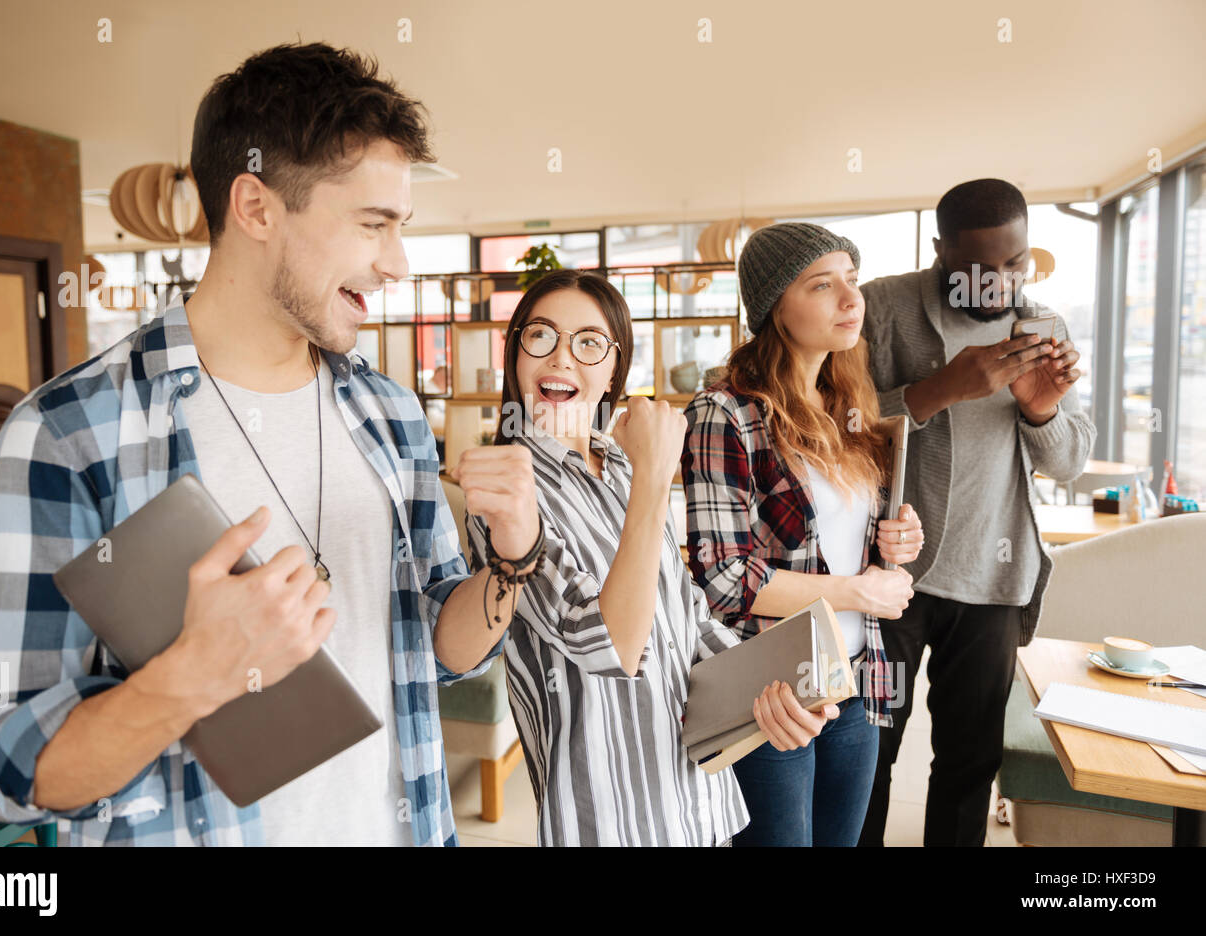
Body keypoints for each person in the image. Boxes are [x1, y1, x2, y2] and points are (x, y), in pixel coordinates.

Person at [0, 42, 543, 846]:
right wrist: (189, 677)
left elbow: (442, 648)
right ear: (257, 208)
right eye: (374, 225)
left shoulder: (391, 414)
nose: (397, 264)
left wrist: (509, 560)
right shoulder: (67, 434)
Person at [458, 269, 832, 846]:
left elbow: (687, 614)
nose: (561, 358)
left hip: (698, 801)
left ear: (614, 368)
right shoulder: (505, 492)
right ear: (515, 354)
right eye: (541, 336)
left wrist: (770, 689)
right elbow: (606, 643)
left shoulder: (625, 465)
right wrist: (658, 477)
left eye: (588, 343)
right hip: (610, 819)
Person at [856, 179, 1094, 847]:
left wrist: (1041, 409)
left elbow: (1069, 460)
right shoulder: (884, 308)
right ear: (941, 252)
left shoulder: (1046, 325)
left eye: (1015, 264)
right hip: (888, 581)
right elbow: (837, 429)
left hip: (994, 581)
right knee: (868, 756)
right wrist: (936, 391)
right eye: (979, 269)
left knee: (968, 767)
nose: (1001, 283)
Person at [683, 222, 924, 846]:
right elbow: (723, 578)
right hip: (774, 693)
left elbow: (845, 546)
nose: (851, 299)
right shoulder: (724, 414)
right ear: (774, 310)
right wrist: (855, 591)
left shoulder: (846, 407)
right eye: (823, 284)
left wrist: (894, 544)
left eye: (852, 279)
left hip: (855, 676)